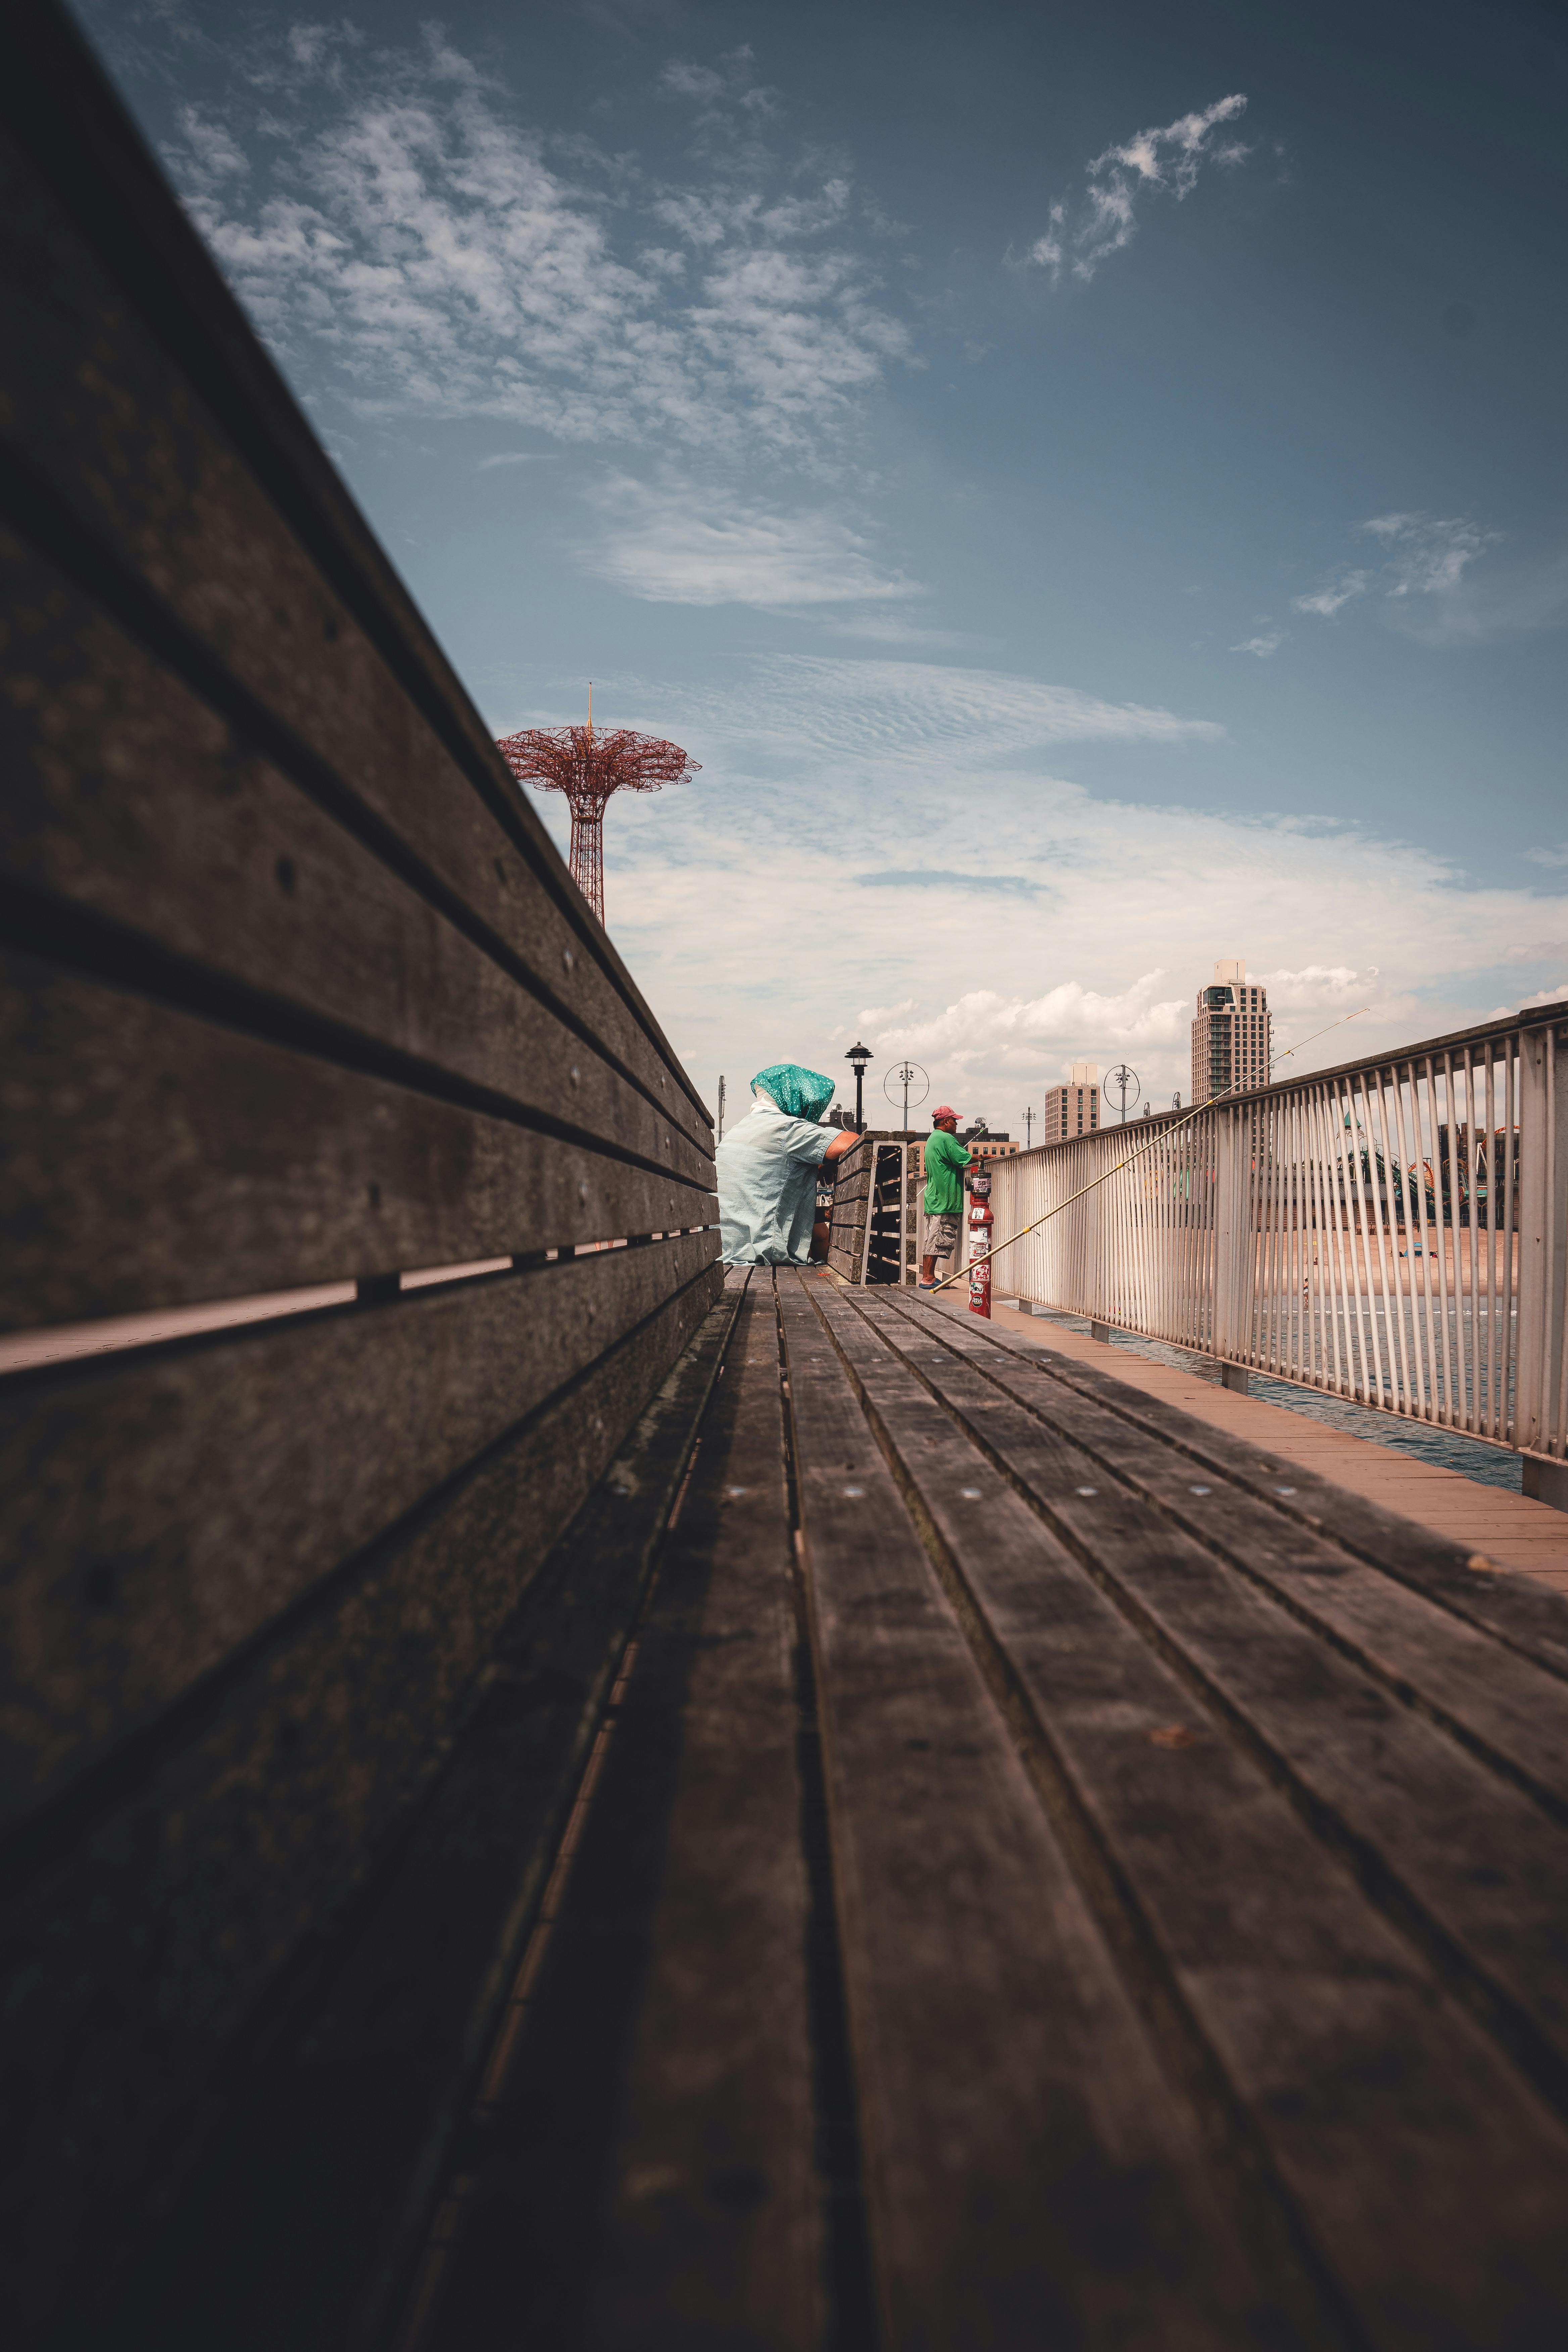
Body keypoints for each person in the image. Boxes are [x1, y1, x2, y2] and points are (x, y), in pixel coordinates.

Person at [717, 1063, 863, 1265]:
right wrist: (826, 1165)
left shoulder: (737, 1131)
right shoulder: (787, 1129)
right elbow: (851, 1141)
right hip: (759, 1256)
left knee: (818, 1231)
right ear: (796, 1098)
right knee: (821, 1234)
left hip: (725, 1250)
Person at [919, 1105, 980, 1290]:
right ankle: (928, 1279)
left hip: (934, 1198)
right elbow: (965, 1159)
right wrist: (983, 1157)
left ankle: (928, 1277)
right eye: (955, 1121)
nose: (957, 1125)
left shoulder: (933, 1139)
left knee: (931, 1238)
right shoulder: (946, 1138)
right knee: (937, 1239)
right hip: (944, 1201)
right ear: (946, 1122)